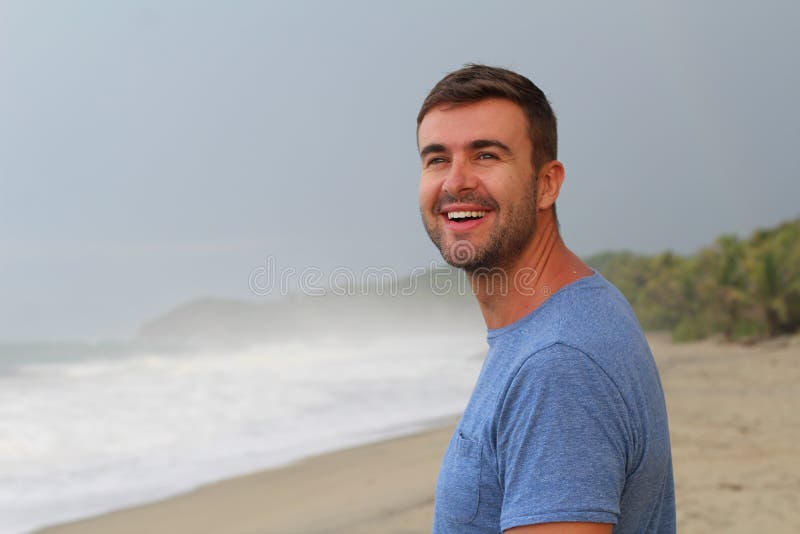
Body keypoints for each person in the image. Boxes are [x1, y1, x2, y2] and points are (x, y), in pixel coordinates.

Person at [417, 65, 675, 533]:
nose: (455, 181)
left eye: (486, 155)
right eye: (436, 159)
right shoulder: (573, 309)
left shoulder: (557, 367)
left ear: (546, 184)